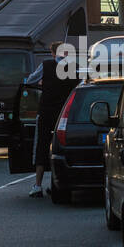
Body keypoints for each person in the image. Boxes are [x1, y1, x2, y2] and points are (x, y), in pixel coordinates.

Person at [29, 41, 78, 197]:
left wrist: (41, 82)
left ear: (52, 53)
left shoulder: (46, 65)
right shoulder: (73, 68)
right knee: (61, 148)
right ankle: (59, 183)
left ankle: (37, 186)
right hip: (65, 115)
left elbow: (29, 81)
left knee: (42, 147)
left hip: (46, 113)